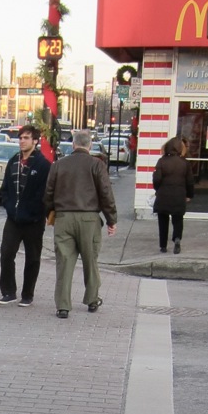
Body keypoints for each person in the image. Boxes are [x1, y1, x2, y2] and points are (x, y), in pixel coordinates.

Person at [44, 129, 118, 318]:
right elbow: (106, 193)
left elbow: (49, 193)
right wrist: (111, 219)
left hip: (63, 217)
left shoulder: (58, 165)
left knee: (64, 262)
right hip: (89, 218)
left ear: (73, 144)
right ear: (90, 145)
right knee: (90, 260)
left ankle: (63, 305)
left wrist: (49, 213)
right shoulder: (97, 165)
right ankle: (92, 299)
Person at [0, 125, 51, 306]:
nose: (22, 141)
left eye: (26, 138)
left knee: (33, 257)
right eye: (20, 138)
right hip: (13, 218)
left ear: (35, 141)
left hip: (34, 220)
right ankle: (8, 291)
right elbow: (5, 189)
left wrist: (36, 211)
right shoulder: (13, 161)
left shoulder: (43, 165)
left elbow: (45, 193)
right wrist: (9, 206)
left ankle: (27, 294)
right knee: (6, 253)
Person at [152, 136, 194, 254]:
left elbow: (156, 179)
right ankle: (177, 239)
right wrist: (189, 195)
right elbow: (190, 181)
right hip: (179, 195)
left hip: (163, 195)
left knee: (163, 220)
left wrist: (158, 189)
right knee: (178, 219)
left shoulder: (162, 161)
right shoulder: (185, 163)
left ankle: (163, 246)